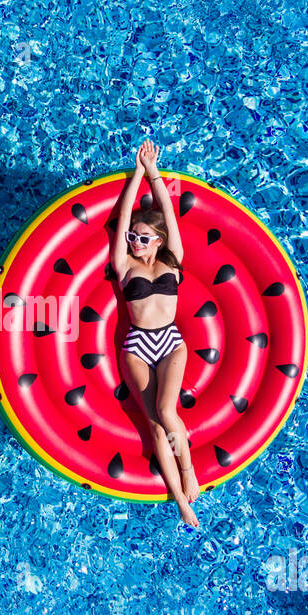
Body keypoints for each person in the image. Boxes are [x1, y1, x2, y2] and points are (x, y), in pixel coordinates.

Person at [110, 139, 199, 527]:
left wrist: (154, 174)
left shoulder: (172, 257)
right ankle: (180, 500)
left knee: (167, 411)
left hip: (171, 340)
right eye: (133, 235)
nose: (135, 240)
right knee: (154, 425)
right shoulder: (123, 264)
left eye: (143, 237)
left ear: (158, 241)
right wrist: (135, 174)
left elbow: (168, 213)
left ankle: (188, 468)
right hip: (137, 345)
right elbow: (128, 211)